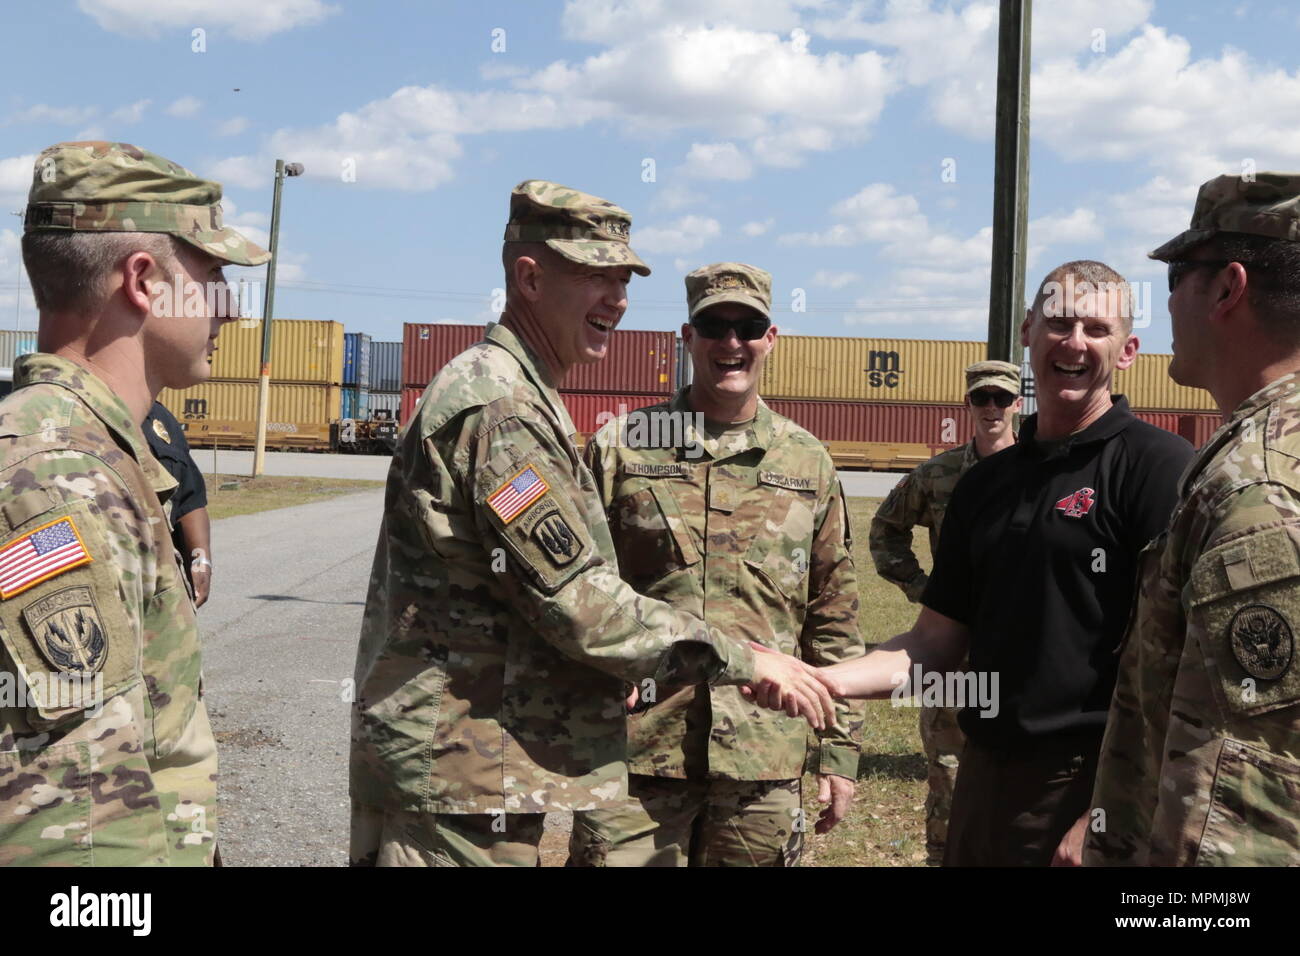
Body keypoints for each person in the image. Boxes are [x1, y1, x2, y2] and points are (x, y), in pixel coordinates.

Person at [349, 183, 836, 868]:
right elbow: (581, 603)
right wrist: (745, 657)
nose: (618, 299)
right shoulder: (500, 410)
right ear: (529, 277)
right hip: (455, 783)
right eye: (595, 277)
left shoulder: (521, 398)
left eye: (624, 279)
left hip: (474, 777)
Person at [789, 260, 1194, 866]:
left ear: (1129, 349)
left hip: (1095, 783)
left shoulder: (1158, 468)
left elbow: (1184, 671)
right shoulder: (987, 485)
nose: (1074, 342)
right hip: (985, 779)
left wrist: (1104, 817)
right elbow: (934, 643)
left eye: (1096, 328)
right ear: (1028, 331)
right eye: (1058, 323)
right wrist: (825, 680)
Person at [0, 141, 264, 865]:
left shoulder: (104, 453)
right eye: (213, 276)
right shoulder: (58, 478)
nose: (230, 311)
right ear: (143, 281)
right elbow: (76, 825)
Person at [567, 263, 865, 867]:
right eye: (714, 325)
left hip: (764, 757)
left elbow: (833, 613)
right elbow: (573, 588)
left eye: (747, 326)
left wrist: (840, 751)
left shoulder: (806, 462)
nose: (732, 342)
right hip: (636, 755)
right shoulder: (623, 445)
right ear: (687, 336)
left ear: (770, 338)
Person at [1085, 173, 1300, 866]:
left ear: (1228, 288)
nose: (1168, 300)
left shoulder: (1254, 486)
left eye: (1178, 274)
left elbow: (1241, 811)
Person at [868, 359, 1021, 865]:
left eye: (1002, 397)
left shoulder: (1043, 472)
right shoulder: (939, 474)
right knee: (949, 765)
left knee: (1021, 767)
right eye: (982, 398)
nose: (992, 408)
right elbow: (885, 530)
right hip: (953, 643)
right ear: (969, 404)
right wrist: (922, 588)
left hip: (1023, 644)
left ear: (1018, 402)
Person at [144, 401, 213, 607]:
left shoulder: (158, 415)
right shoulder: (76, 408)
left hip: (163, 598)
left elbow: (188, 496)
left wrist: (201, 561)